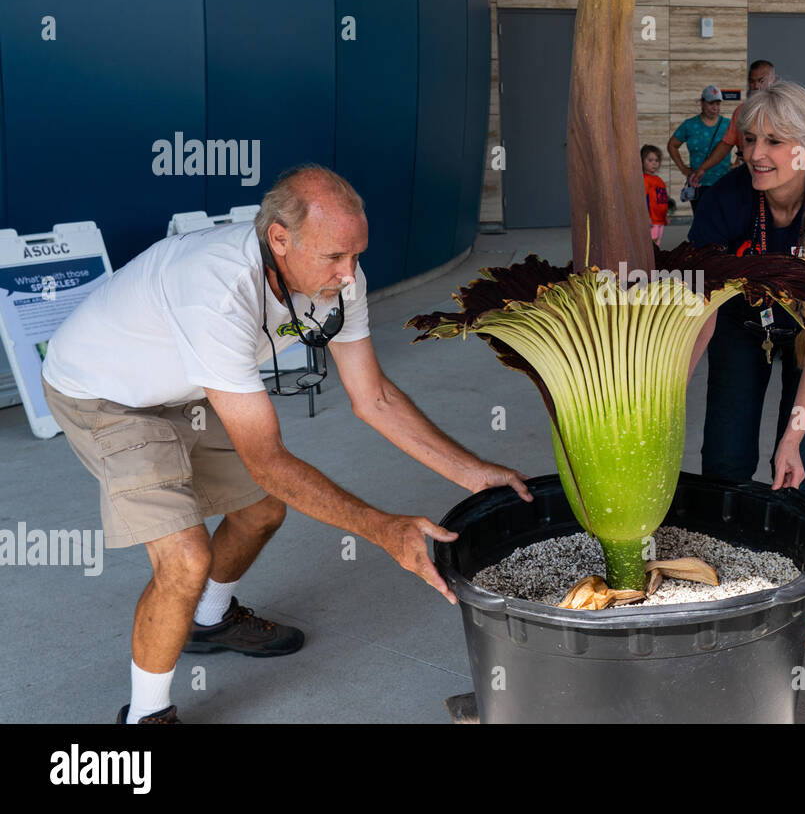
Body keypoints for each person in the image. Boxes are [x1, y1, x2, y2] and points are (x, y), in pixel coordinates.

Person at [40, 165, 532, 724]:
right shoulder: (218, 288)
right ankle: (146, 717)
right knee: (185, 558)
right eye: (334, 258)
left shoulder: (340, 280)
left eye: (357, 255)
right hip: (107, 392)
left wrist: (471, 473)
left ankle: (211, 618)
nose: (349, 274)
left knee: (262, 510)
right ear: (279, 238)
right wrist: (383, 530)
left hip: (189, 382)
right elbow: (268, 460)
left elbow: (373, 398)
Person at [688, 81, 805, 649]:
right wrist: (668, 390)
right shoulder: (724, 200)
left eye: (775, 140)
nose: (756, 153)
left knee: (801, 461)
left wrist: (791, 434)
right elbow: (701, 315)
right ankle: (725, 578)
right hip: (741, 329)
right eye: (749, 139)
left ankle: (794, 590)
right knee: (724, 455)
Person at [689, 60, 778, 183]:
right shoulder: (741, 112)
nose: (756, 86)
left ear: (774, 81)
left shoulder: (785, 112)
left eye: (761, 81)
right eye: (752, 82)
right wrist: (703, 168)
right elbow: (726, 144)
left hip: (775, 176)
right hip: (748, 177)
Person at [667, 86, 731, 213]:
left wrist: (736, 164)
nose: (715, 107)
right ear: (702, 103)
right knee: (702, 222)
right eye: (711, 103)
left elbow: (743, 145)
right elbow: (672, 145)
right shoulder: (690, 125)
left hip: (724, 183)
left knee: (722, 222)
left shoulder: (728, 124)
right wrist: (683, 168)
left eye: (718, 104)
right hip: (698, 183)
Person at [642, 144, 669, 244]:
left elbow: (663, 200)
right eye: (650, 160)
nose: (654, 163)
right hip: (651, 220)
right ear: (642, 161)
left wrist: (665, 216)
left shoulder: (659, 180)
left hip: (660, 220)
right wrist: (646, 216)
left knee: (657, 243)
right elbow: (644, 199)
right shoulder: (645, 179)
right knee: (650, 245)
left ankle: (655, 259)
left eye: (656, 161)